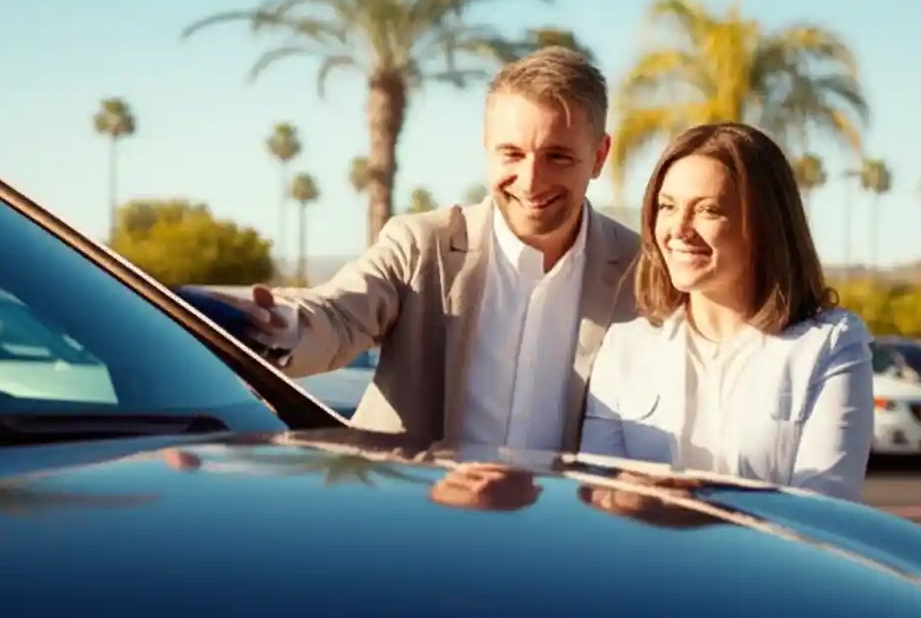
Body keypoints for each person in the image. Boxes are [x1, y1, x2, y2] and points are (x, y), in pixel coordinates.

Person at [226, 47, 640, 452]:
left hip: (565, 519)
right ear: (486, 146)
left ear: (599, 155)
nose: (531, 180)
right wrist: (281, 324)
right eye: (512, 154)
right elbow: (338, 313)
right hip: (417, 513)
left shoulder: (641, 271)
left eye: (558, 157)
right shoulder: (421, 246)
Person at [579, 122, 874, 502]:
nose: (679, 229)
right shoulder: (624, 345)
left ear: (765, 223)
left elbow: (824, 511)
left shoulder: (830, 344)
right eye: (667, 206)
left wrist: (670, 508)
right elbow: (598, 494)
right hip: (644, 563)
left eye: (708, 210)